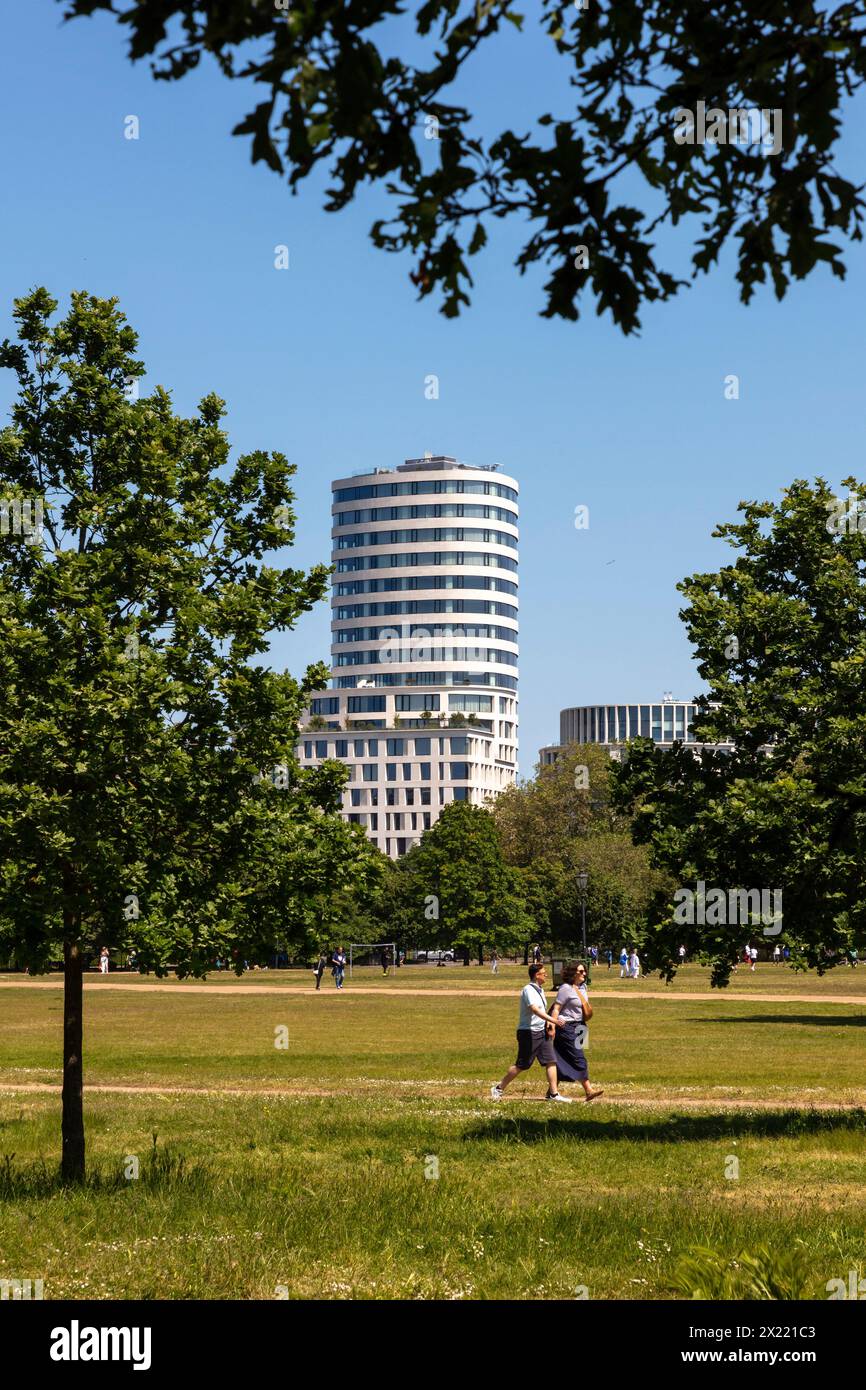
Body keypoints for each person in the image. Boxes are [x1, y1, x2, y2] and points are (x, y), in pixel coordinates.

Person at [490, 964, 571, 1103]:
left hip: (541, 1031)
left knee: (551, 1060)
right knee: (523, 1064)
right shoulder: (528, 990)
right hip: (528, 1032)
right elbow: (535, 1010)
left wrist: (549, 1024)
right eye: (543, 973)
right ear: (536, 975)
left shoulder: (540, 990)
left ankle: (553, 1094)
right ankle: (498, 1088)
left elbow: (542, 1011)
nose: (546, 975)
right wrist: (554, 1020)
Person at [550, 963, 604, 1102]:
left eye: (585, 971)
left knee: (567, 1057)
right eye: (581, 971)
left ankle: (551, 1092)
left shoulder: (583, 987)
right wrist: (553, 1025)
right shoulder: (565, 988)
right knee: (578, 1057)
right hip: (566, 1026)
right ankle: (588, 1090)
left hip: (581, 1026)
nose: (584, 973)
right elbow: (556, 1008)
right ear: (573, 973)